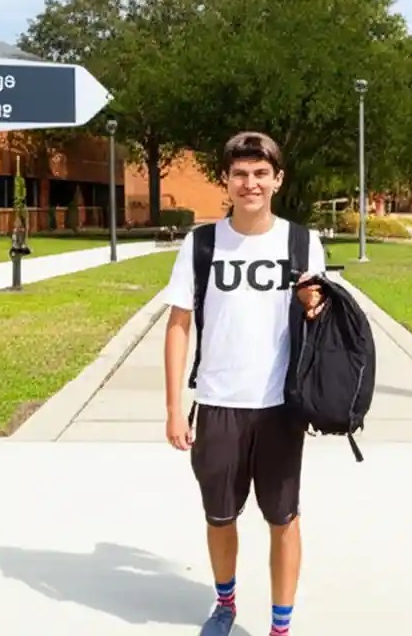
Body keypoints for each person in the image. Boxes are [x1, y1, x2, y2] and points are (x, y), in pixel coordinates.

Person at [162, 131, 326, 636]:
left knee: (283, 518)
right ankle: (225, 604)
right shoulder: (202, 243)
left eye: (260, 173)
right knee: (220, 516)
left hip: (280, 407)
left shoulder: (302, 241)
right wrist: (174, 409)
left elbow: (319, 322)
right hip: (218, 403)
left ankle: (280, 626)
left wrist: (313, 306)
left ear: (277, 180)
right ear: (227, 181)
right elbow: (178, 323)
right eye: (240, 174)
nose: (249, 183)